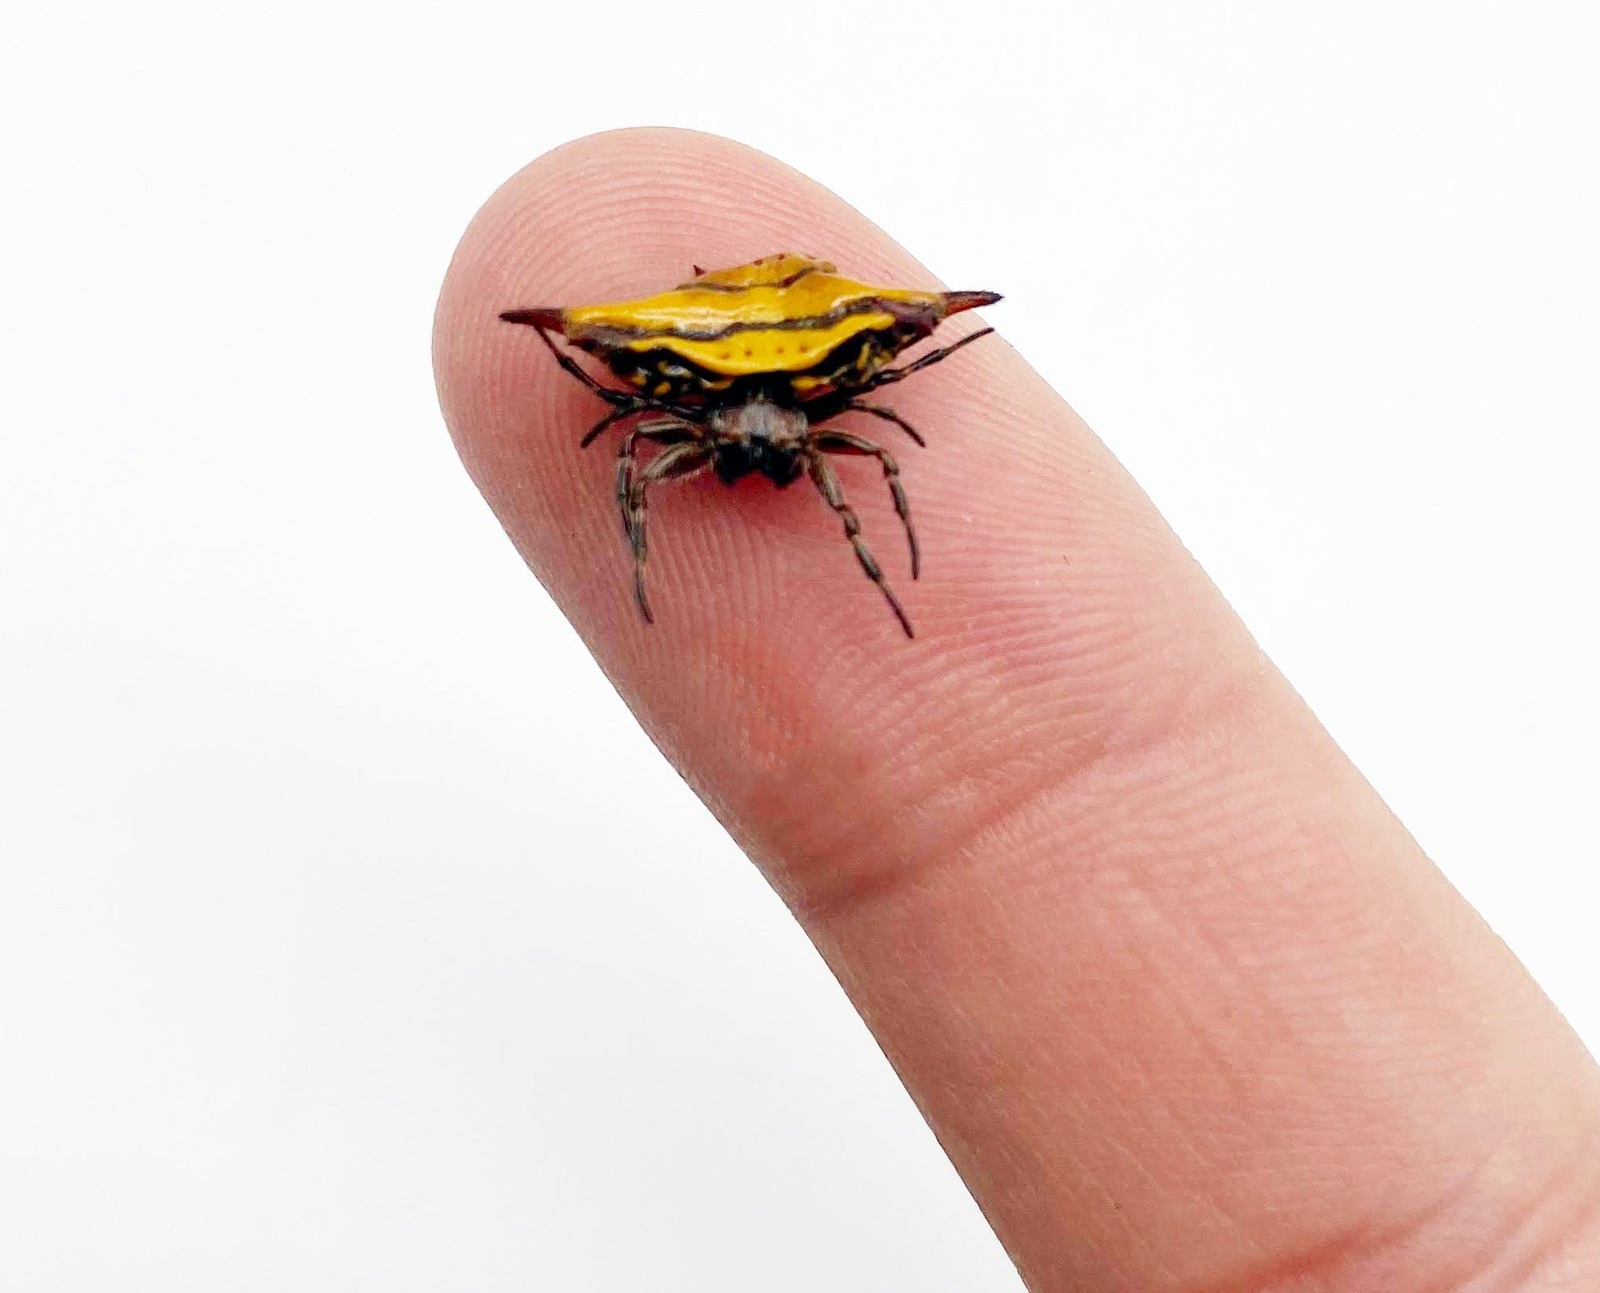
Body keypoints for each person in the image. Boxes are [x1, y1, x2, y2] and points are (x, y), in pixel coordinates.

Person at [434, 128, 1600, 1290]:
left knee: (814, 465)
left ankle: (881, 583)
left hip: (790, 358)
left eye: (774, 447)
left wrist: (879, 555)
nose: (755, 462)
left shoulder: (832, 429)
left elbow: (875, 444)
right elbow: (624, 419)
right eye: (753, 446)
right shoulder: (685, 428)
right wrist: (641, 554)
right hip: (741, 357)